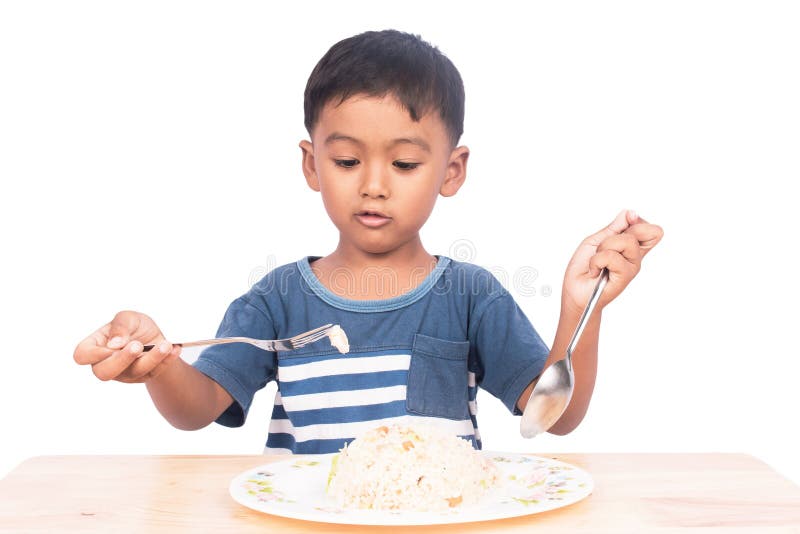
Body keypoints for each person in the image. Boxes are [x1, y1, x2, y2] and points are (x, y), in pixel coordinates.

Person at [73, 29, 663, 454]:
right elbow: (196, 409)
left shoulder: (471, 295)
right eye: (348, 160)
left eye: (404, 164)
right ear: (312, 165)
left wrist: (580, 307)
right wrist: (157, 367)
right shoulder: (276, 300)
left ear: (451, 172)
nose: (375, 186)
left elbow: (552, 417)